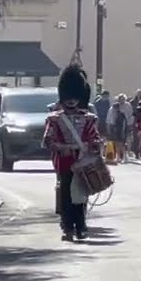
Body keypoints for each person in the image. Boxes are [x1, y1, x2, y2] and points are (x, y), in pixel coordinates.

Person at [42, 65, 103, 242]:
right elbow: (48, 139)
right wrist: (60, 147)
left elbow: (95, 138)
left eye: (74, 97)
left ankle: (81, 226)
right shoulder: (54, 118)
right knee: (66, 196)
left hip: (83, 161)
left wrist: (91, 146)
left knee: (81, 196)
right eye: (68, 97)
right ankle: (68, 227)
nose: (71, 101)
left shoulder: (89, 118)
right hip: (64, 161)